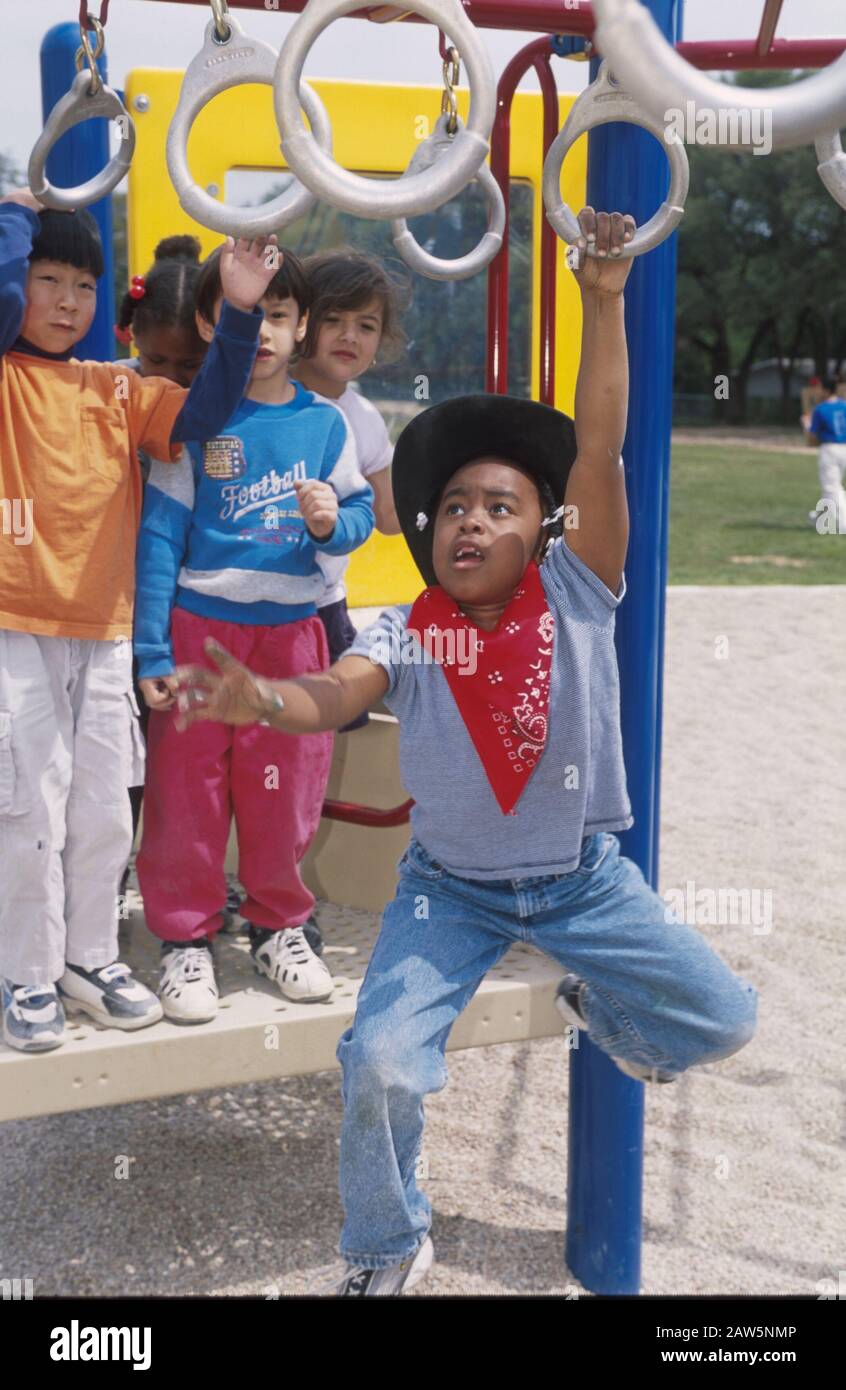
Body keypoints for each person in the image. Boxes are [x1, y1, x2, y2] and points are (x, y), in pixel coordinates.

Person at [171, 208, 758, 1295]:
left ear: (547, 527)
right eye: (452, 508)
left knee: (725, 1018)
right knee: (380, 1062)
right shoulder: (411, 625)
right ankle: (389, 1243)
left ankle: (599, 1009)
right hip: (451, 894)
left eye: (501, 505)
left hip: (583, 885)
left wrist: (605, 297)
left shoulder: (578, 588)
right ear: (429, 532)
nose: (472, 522)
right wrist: (268, 697)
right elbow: (339, 690)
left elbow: (599, 438)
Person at [0, 188, 275, 1053]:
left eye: (83, 284)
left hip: (106, 630)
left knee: (105, 808)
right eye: (47, 280)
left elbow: (206, 411)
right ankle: (26, 971)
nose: (66, 301)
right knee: (28, 806)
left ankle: (87, 954)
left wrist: (236, 309)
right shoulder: (6, 379)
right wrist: (13, 212)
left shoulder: (116, 391)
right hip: (19, 625)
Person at [134, 243, 375, 1025]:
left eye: (279, 314)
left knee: (287, 797)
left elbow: (361, 515)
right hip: (201, 631)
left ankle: (279, 925)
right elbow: (161, 538)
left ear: (301, 324)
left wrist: (335, 524)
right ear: (212, 322)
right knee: (187, 795)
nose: (265, 331)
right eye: (249, 314)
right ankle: (185, 938)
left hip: (293, 641)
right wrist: (151, 649)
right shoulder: (194, 419)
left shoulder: (326, 423)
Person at [113, 235, 209, 892]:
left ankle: (187, 873)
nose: (170, 378)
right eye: (156, 359)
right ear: (130, 340)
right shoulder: (111, 397)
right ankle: (108, 871)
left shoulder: (219, 416)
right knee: (120, 756)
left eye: (191, 364)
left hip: (189, 608)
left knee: (178, 752)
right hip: (116, 608)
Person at [294, 248, 407, 733]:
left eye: (366, 325)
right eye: (333, 319)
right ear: (302, 324)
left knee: (336, 722)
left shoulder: (364, 416)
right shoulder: (274, 396)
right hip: (266, 600)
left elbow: (389, 516)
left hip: (326, 602)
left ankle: (310, 808)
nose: (349, 336)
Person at [801, 378, 846, 533]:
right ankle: (820, 518)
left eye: (819, 389)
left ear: (826, 391)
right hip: (844, 448)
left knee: (832, 487)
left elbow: (813, 436)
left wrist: (806, 423)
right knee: (830, 486)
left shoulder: (821, 409)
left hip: (830, 449)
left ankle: (843, 524)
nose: (817, 392)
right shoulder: (844, 405)